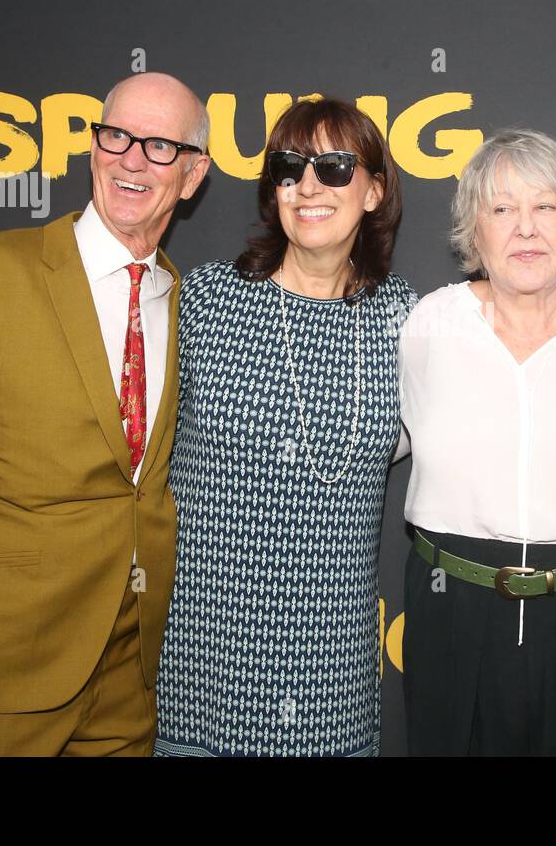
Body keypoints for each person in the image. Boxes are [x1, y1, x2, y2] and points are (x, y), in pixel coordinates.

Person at [0, 72, 212, 755]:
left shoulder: (182, 299)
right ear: (94, 147)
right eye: (115, 135)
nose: (132, 158)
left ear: (194, 174)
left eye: (160, 146)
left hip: (130, 685)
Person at [154, 98, 415, 757]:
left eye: (334, 167)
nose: (308, 186)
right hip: (199, 675)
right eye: (289, 167)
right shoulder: (207, 298)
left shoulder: (408, 320)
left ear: (375, 188)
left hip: (334, 683)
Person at [398, 129, 556, 755]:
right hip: (453, 611)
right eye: (502, 209)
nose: (526, 228)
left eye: (546, 206)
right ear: (473, 228)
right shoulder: (428, 324)